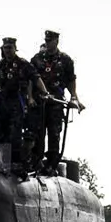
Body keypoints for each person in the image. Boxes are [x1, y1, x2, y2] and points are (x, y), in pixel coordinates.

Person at [30, 30, 84, 173]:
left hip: (56, 103)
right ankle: (37, 162)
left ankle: (51, 165)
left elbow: (71, 80)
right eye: (46, 41)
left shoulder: (66, 60)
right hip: (39, 103)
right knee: (38, 134)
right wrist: (30, 97)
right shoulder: (37, 59)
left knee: (54, 135)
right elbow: (30, 79)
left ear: (56, 41)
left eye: (50, 41)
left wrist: (74, 97)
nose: (47, 43)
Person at [0, 37, 46, 172]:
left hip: (16, 102)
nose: (7, 50)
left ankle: (15, 163)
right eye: (5, 48)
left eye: (10, 48)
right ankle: (1, 163)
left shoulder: (23, 64)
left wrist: (45, 92)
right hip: (2, 102)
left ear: (15, 48)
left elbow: (36, 78)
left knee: (14, 134)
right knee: (0, 134)